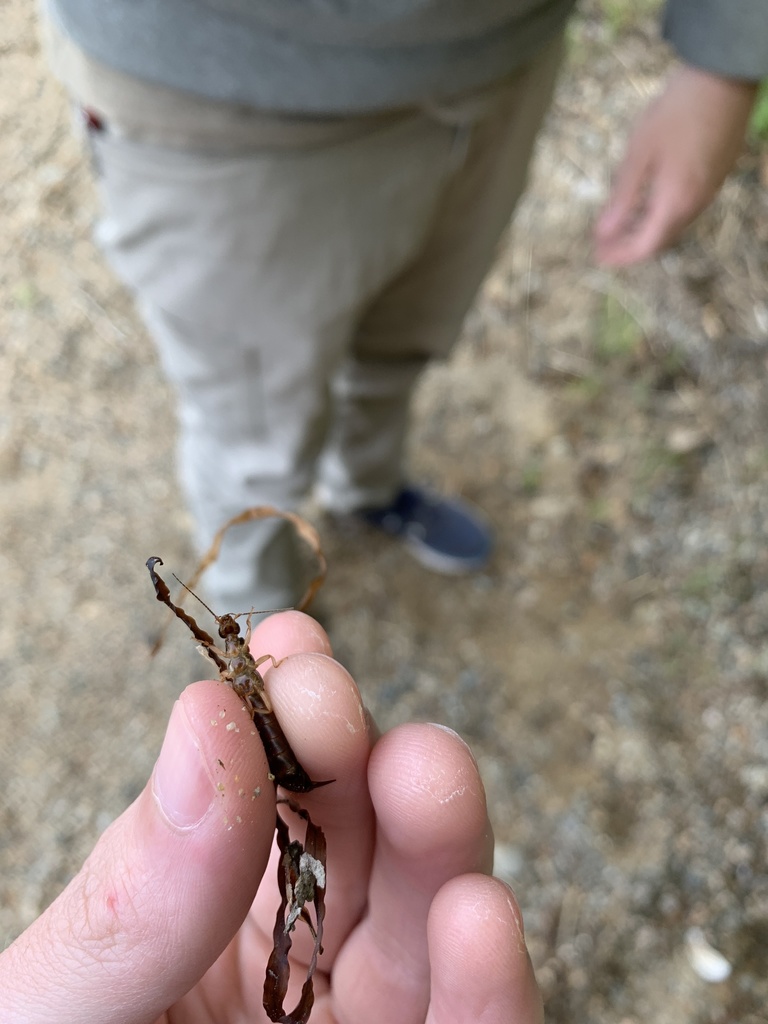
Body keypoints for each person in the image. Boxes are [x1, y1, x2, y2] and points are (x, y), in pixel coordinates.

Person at [40, 1, 765, 614]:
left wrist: (725, 50)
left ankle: (367, 486)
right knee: (252, 437)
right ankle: (255, 623)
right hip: (212, 83)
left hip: (506, 53)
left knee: (406, 336)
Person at [0, 611, 544, 1023]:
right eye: (231, 635)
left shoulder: (241, 661)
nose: (233, 639)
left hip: (276, 737)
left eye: (233, 635)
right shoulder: (236, 662)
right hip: (263, 732)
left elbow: (254, 678)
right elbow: (246, 681)